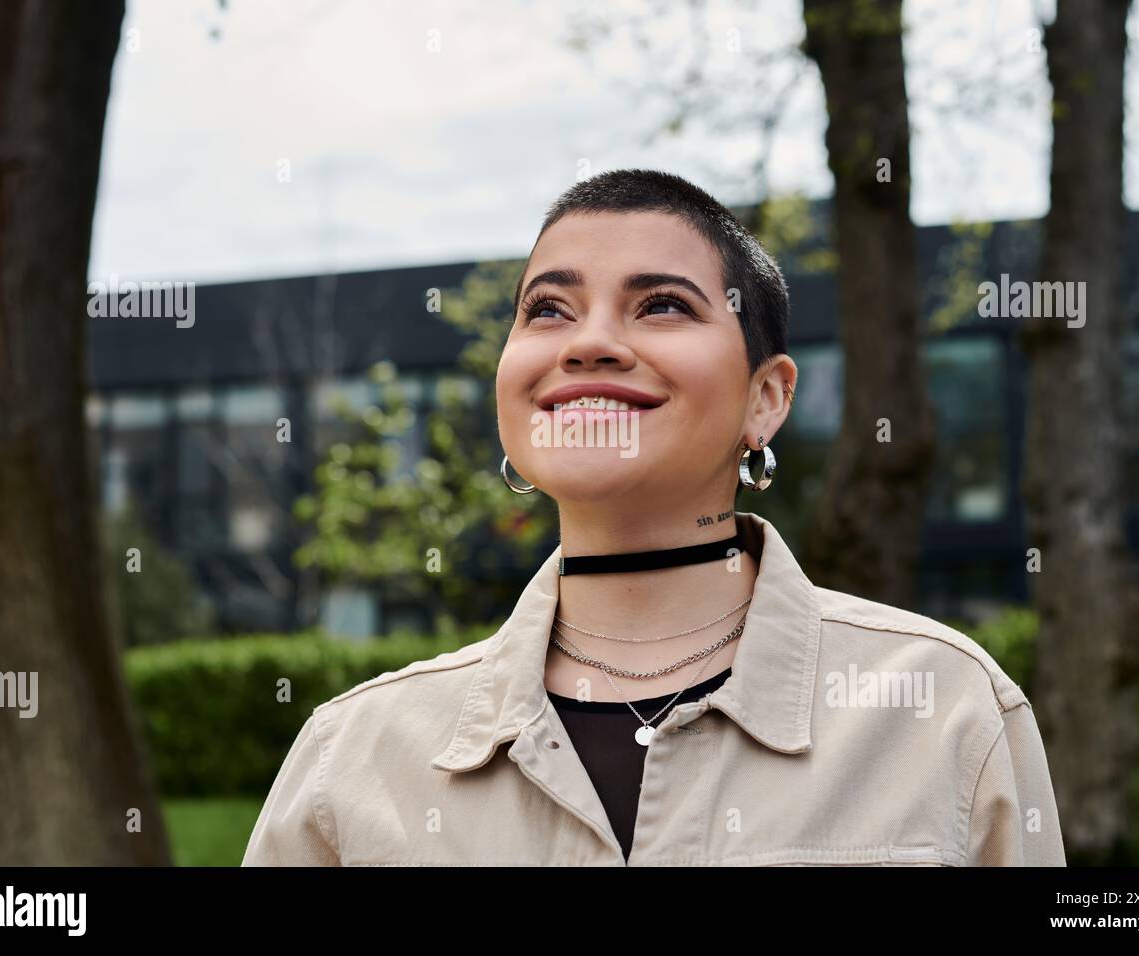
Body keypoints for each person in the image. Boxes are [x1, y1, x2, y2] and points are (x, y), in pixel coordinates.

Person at [242, 168, 1065, 866]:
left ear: (766, 399)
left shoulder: (947, 712)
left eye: (662, 305)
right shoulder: (351, 760)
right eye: (549, 310)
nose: (588, 343)